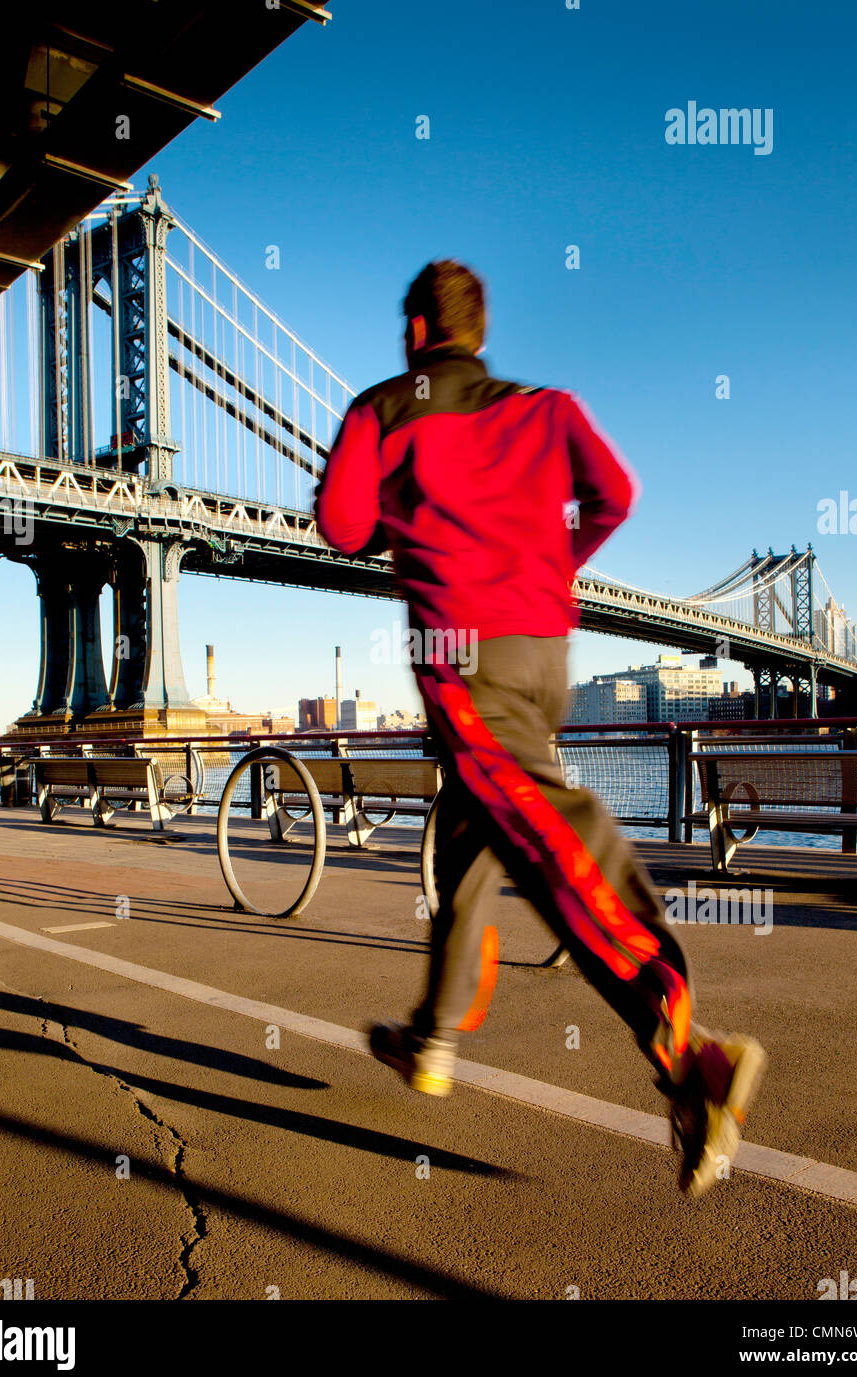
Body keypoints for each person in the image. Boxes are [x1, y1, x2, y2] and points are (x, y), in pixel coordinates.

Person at [314, 260, 765, 1197]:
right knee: (483, 832)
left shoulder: (381, 407)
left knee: (545, 827)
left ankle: (687, 1049)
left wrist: (406, 513)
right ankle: (430, 1037)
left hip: (461, 654)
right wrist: (554, 560)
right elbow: (619, 496)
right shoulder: (548, 405)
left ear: (413, 333)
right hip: (544, 652)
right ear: (478, 329)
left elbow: (342, 524)